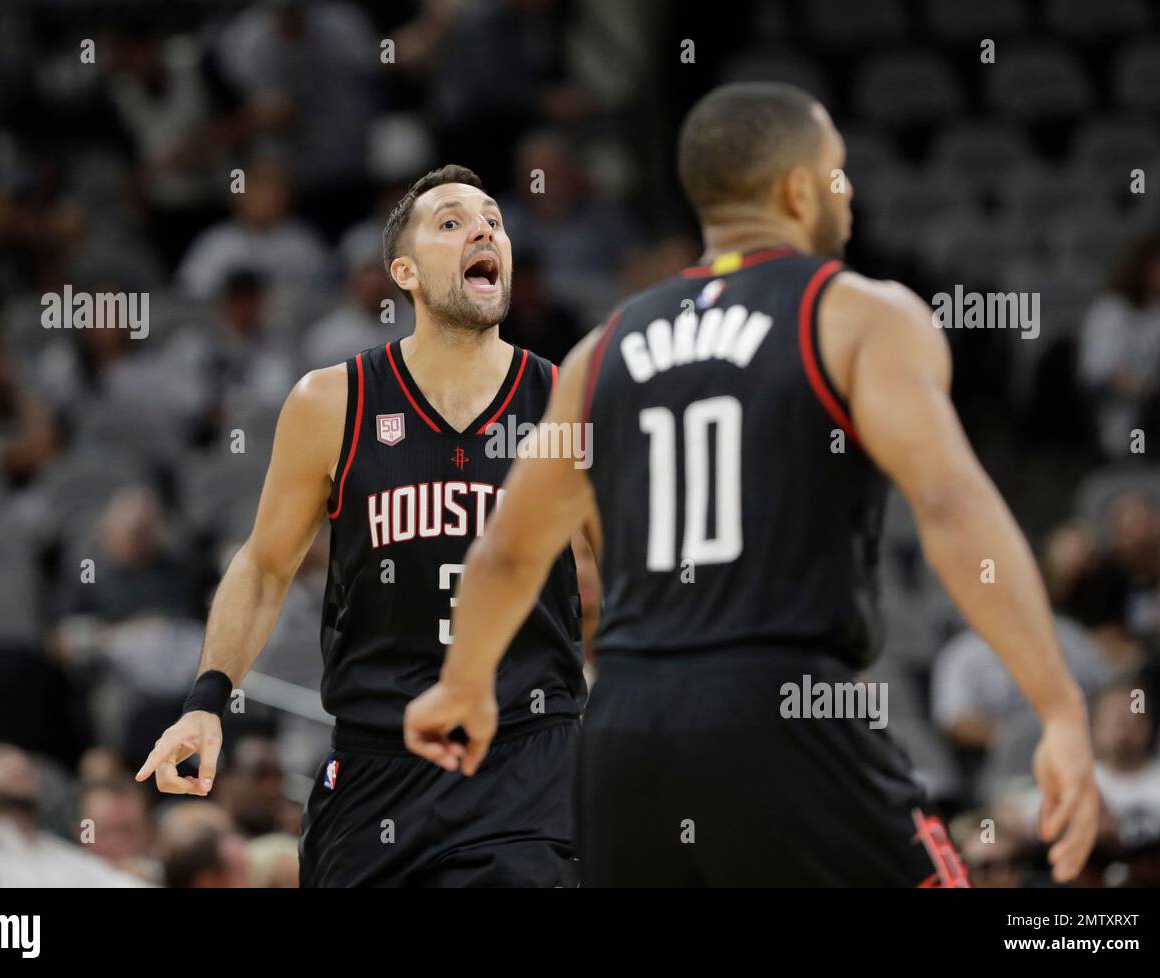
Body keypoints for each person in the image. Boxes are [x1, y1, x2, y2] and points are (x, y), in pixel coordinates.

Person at [404, 82, 1101, 887]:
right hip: (783, 706)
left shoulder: (602, 351)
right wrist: (1057, 707)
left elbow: (508, 553)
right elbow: (948, 506)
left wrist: (462, 687)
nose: (848, 192)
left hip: (627, 729)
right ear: (799, 188)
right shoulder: (858, 313)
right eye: (837, 171)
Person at [138, 165, 590, 887]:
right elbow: (264, 567)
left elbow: (633, 573)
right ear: (403, 273)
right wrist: (206, 704)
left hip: (526, 759)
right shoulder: (332, 403)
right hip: (378, 765)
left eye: (494, 221)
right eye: (451, 222)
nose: (483, 230)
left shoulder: (565, 401)